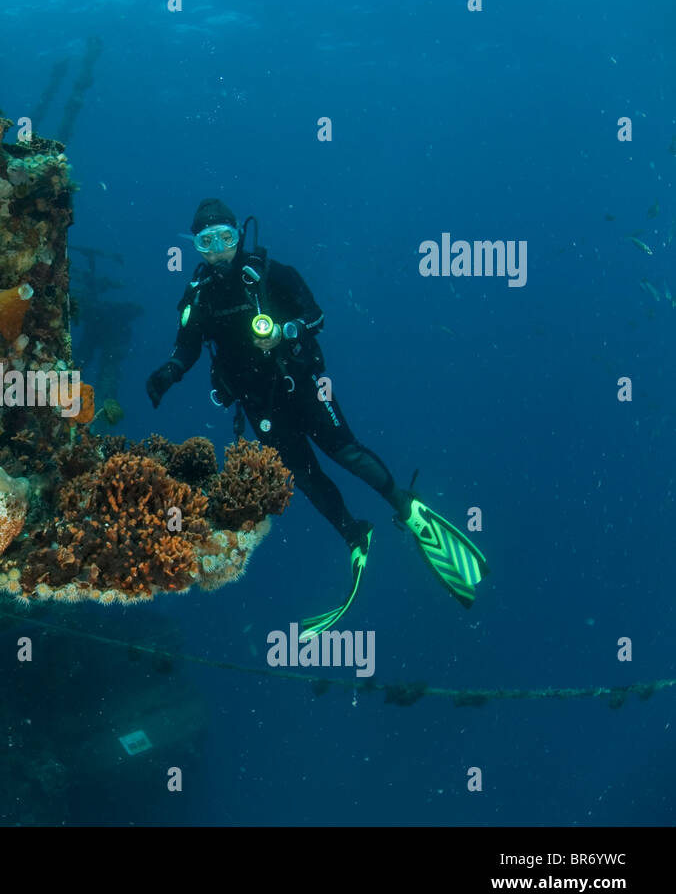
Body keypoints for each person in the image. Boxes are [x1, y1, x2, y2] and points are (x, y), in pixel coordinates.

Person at [146, 199, 486, 638]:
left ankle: (406, 507)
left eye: (225, 238)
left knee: (345, 452)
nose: (217, 251)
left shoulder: (273, 274)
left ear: (239, 235)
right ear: (195, 246)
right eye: (206, 242)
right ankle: (353, 535)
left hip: (301, 386)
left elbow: (316, 316)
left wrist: (286, 332)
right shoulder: (199, 294)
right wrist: (169, 372)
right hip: (258, 404)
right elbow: (187, 345)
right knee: (304, 476)